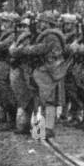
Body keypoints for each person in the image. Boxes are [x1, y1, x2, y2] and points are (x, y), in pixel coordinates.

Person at [23, 10, 67, 139]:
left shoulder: (51, 36)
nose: (40, 24)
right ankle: (39, 128)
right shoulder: (47, 34)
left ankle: (48, 128)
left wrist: (26, 49)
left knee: (48, 101)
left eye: (42, 22)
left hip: (50, 71)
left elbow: (41, 49)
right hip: (44, 70)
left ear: (48, 23)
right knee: (40, 100)